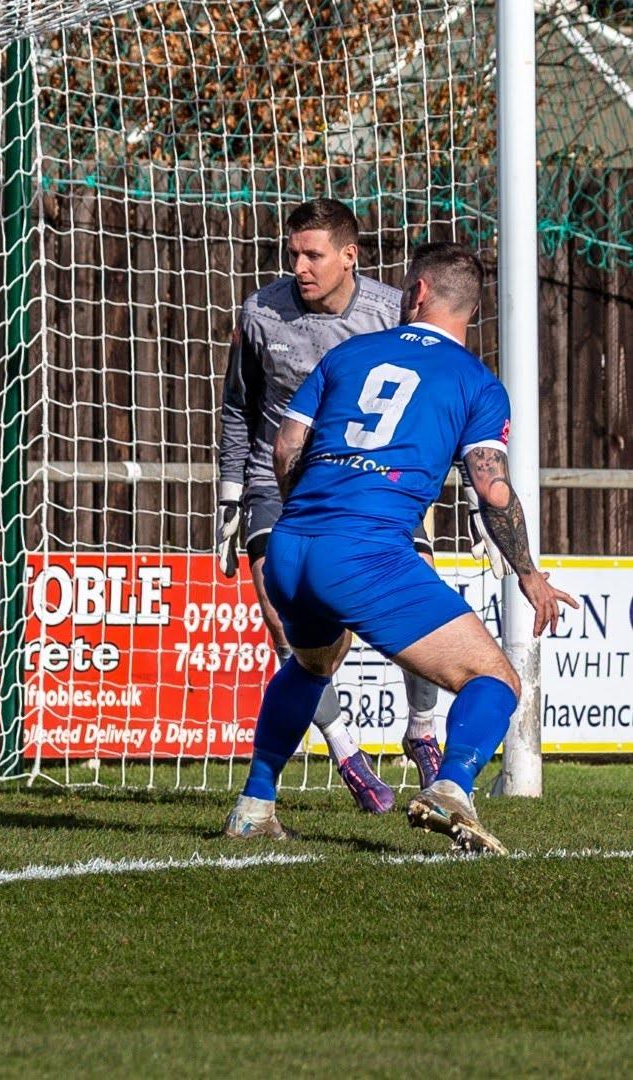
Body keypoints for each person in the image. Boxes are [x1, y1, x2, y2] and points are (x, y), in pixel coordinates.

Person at [222, 241, 576, 853]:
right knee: (496, 680)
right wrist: (530, 574)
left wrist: (305, 508)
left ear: (416, 294)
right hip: (364, 553)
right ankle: (450, 787)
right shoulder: (478, 384)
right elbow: (493, 491)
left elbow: (284, 448)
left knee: (311, 665)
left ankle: (255, 804)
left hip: (290, 541)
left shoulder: (350, 352)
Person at [217, 198, 445, 811]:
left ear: (350, 256)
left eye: (312, 254)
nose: (299, 266)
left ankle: (422, 730)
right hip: (279, 485)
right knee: (287, 626)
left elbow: (427, 400)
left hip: (369, 487)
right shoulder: (260, 312)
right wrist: (231, 496)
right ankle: (346, 753)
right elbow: (239, 407)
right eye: (292, 253)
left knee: (415, 611)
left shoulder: (388, 314)